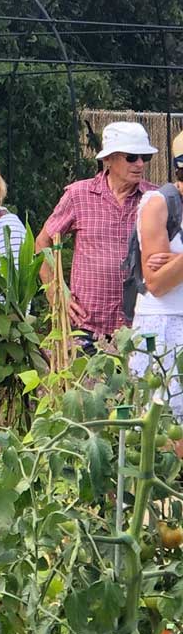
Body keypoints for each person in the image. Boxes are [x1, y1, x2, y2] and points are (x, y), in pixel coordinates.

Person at [36, 120, 158, 351]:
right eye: (132, 157)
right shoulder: (79, 195)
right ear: (108, 159)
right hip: (86, 327)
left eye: (145, 157)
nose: (140, 164)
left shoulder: (155, 199)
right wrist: (57, 293)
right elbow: (43, 242)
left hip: (140, 327)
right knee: (85, 376)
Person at [126, 130, 183, 422]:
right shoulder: (159, 204)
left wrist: (175, 262)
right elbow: (157, 283)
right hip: (164, 329)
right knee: (165, 424)